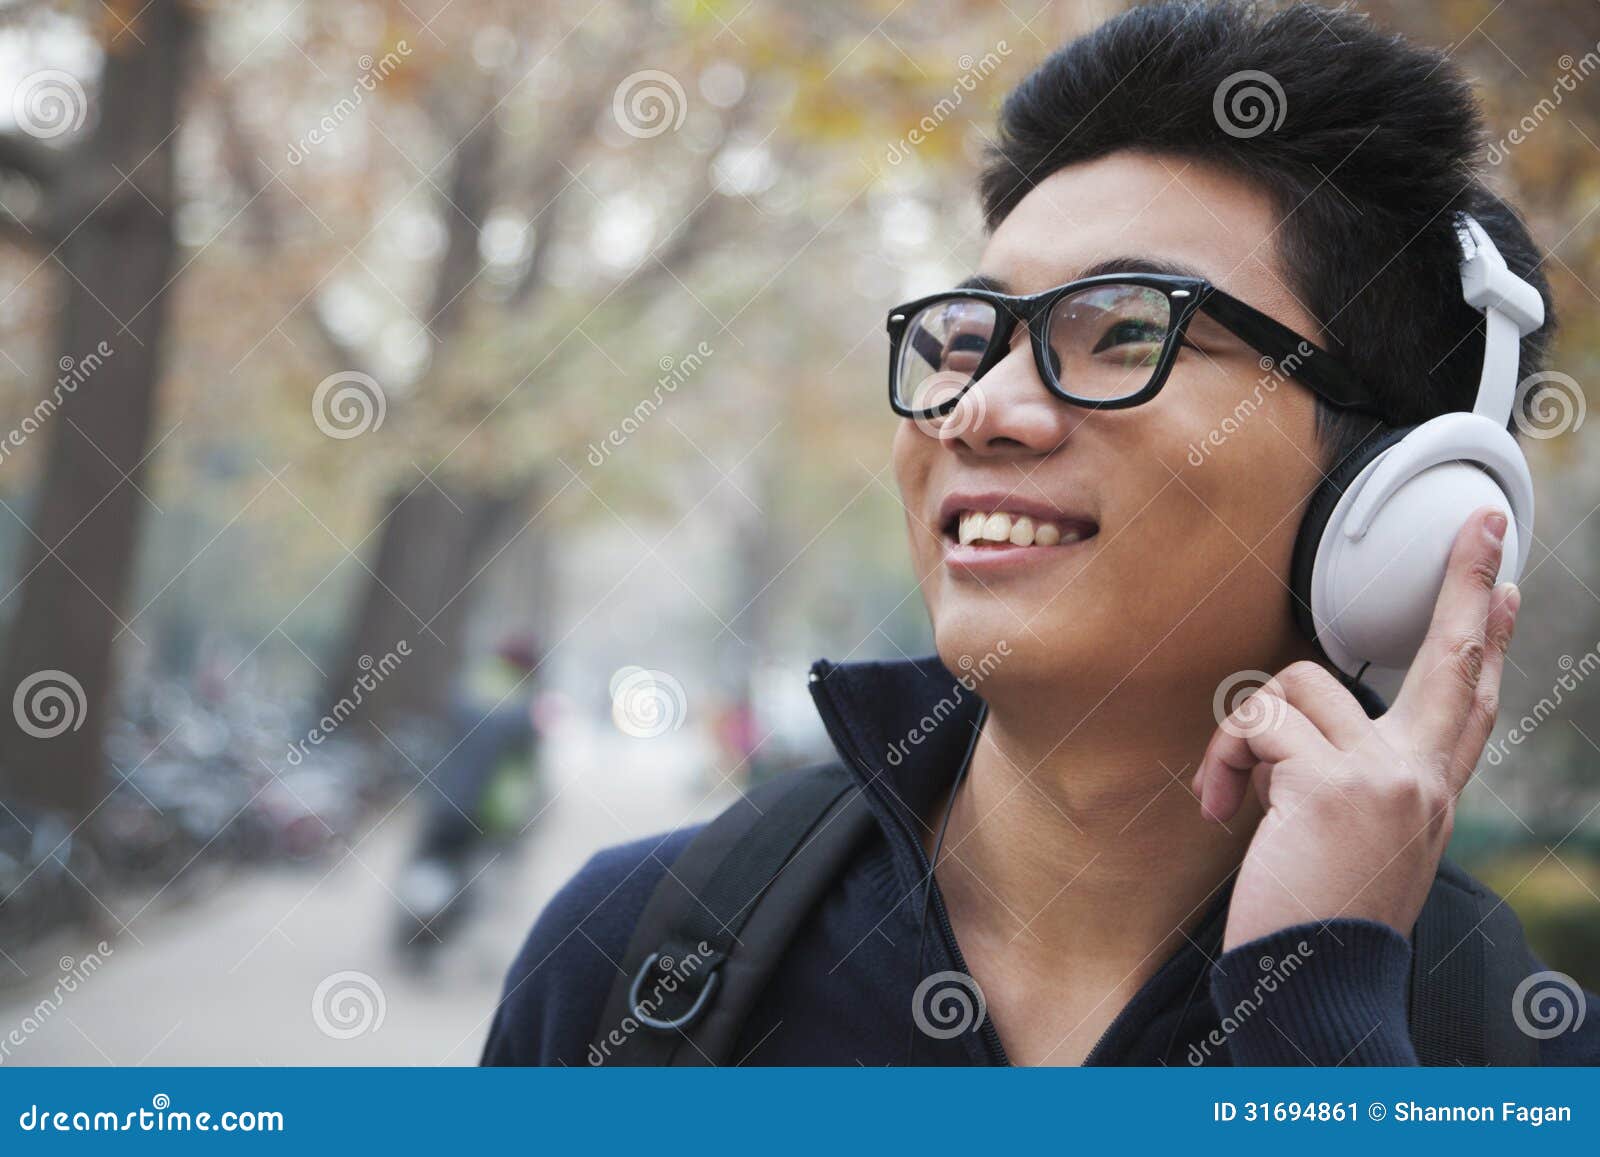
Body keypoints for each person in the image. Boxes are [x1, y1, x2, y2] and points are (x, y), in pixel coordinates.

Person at [481, 1, 1600, 1065]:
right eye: (969, 336)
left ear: (1397, 495)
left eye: (1124, 331)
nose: (980, 409)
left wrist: (1316, 1003)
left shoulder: (1522, 1054)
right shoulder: (635, 955)